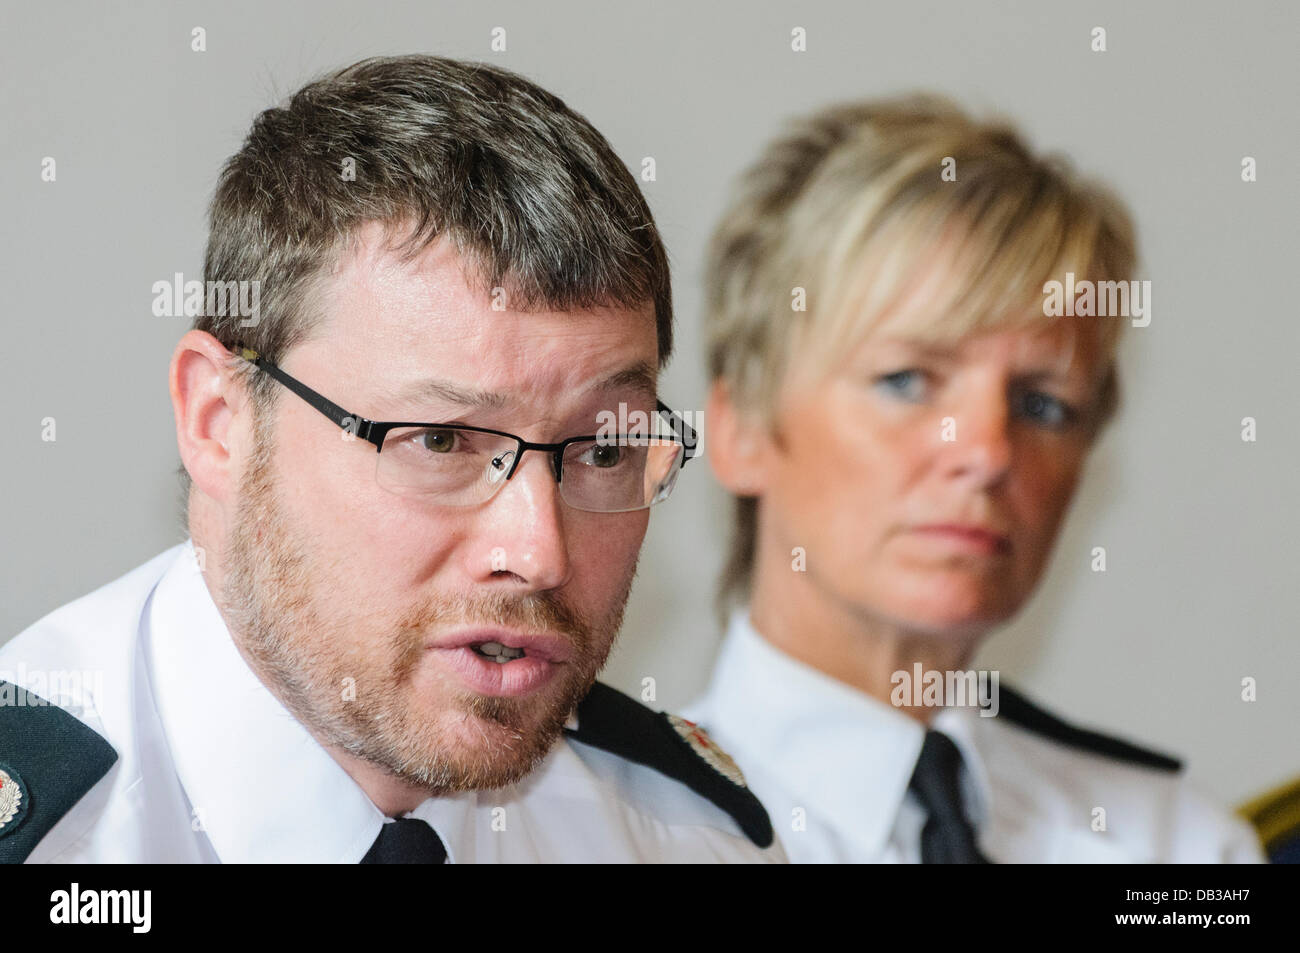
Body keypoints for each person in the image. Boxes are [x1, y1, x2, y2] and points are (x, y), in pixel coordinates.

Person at [0, 54, 782, 864]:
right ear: (218, 421)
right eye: (440, 440)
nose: (539, 552)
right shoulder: (57, 835)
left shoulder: (682, 837)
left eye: (604, 448)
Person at [686, 95, 1263, 863]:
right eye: (906, 380)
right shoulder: (590, 836)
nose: (989, 451)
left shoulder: (1179, 853)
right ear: (741, 428)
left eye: (1042, 404)